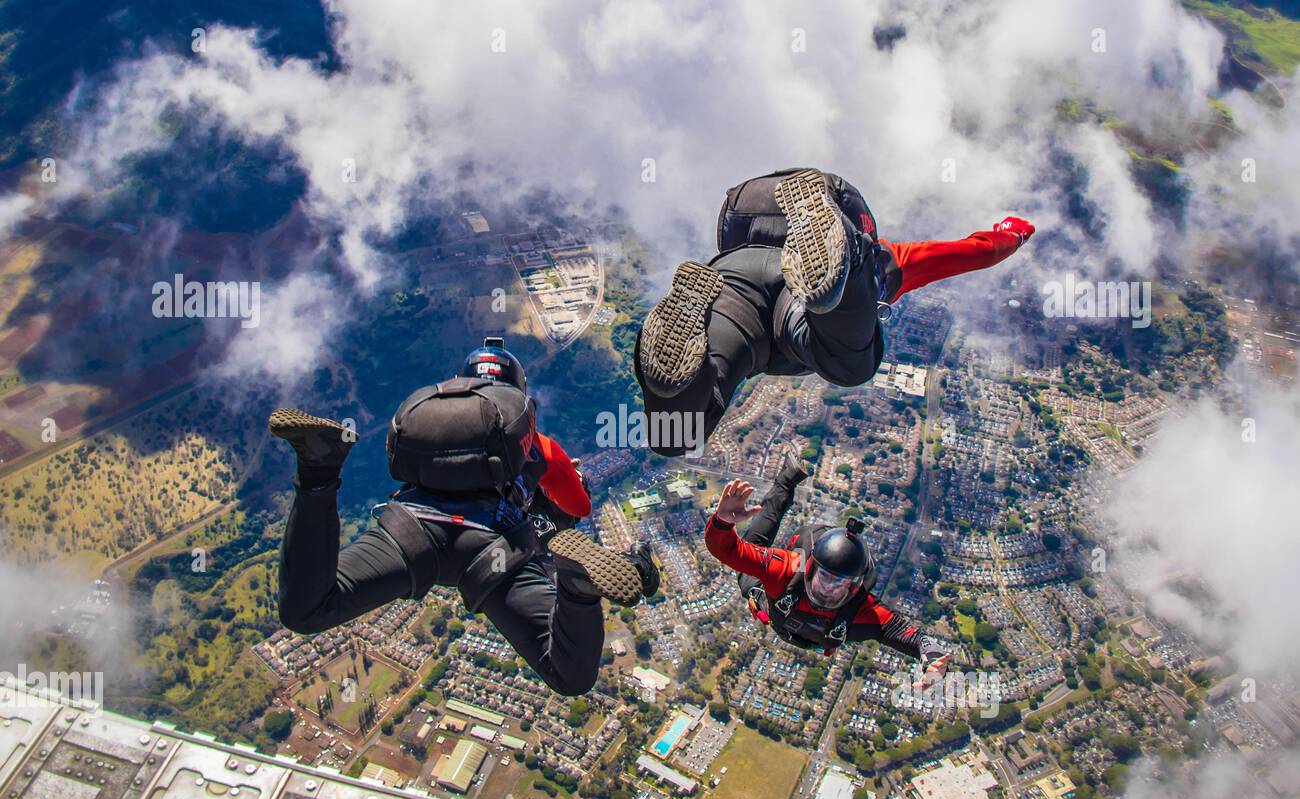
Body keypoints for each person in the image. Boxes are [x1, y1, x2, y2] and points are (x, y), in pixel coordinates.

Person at [270, 337, 659, 697]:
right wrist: (563, 483)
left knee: (307, 609)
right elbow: (578, 507)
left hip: (412, 529)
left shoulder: (435, 425)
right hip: (494, 549)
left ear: (459, 384)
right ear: (518, 397)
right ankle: (574, 586)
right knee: (569, 675)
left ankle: (319, 471)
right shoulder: (539, 446)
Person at [636, 167, 1034, 455]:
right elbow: (975, 252)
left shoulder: (738, 244)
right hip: (794, 305)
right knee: (850, 366)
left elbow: (973, 254)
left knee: (675, 436)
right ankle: (843, 271)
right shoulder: (892, 260)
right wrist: (1012, 235)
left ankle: (669, 381)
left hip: (729, 279)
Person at [705, 452, 950, 686]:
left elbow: (912, 637)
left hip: (788, 621)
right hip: (780, 610)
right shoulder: (786, 570)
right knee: (752, 554)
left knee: (750, 562)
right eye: (825, 577)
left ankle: (788, 479)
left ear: (855, 587)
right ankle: (786, 480)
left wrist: (932, 656)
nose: (829, 589)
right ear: (809, 568)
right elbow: (729, 551)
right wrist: (723, 522)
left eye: (841, 584)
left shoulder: (860, 609)